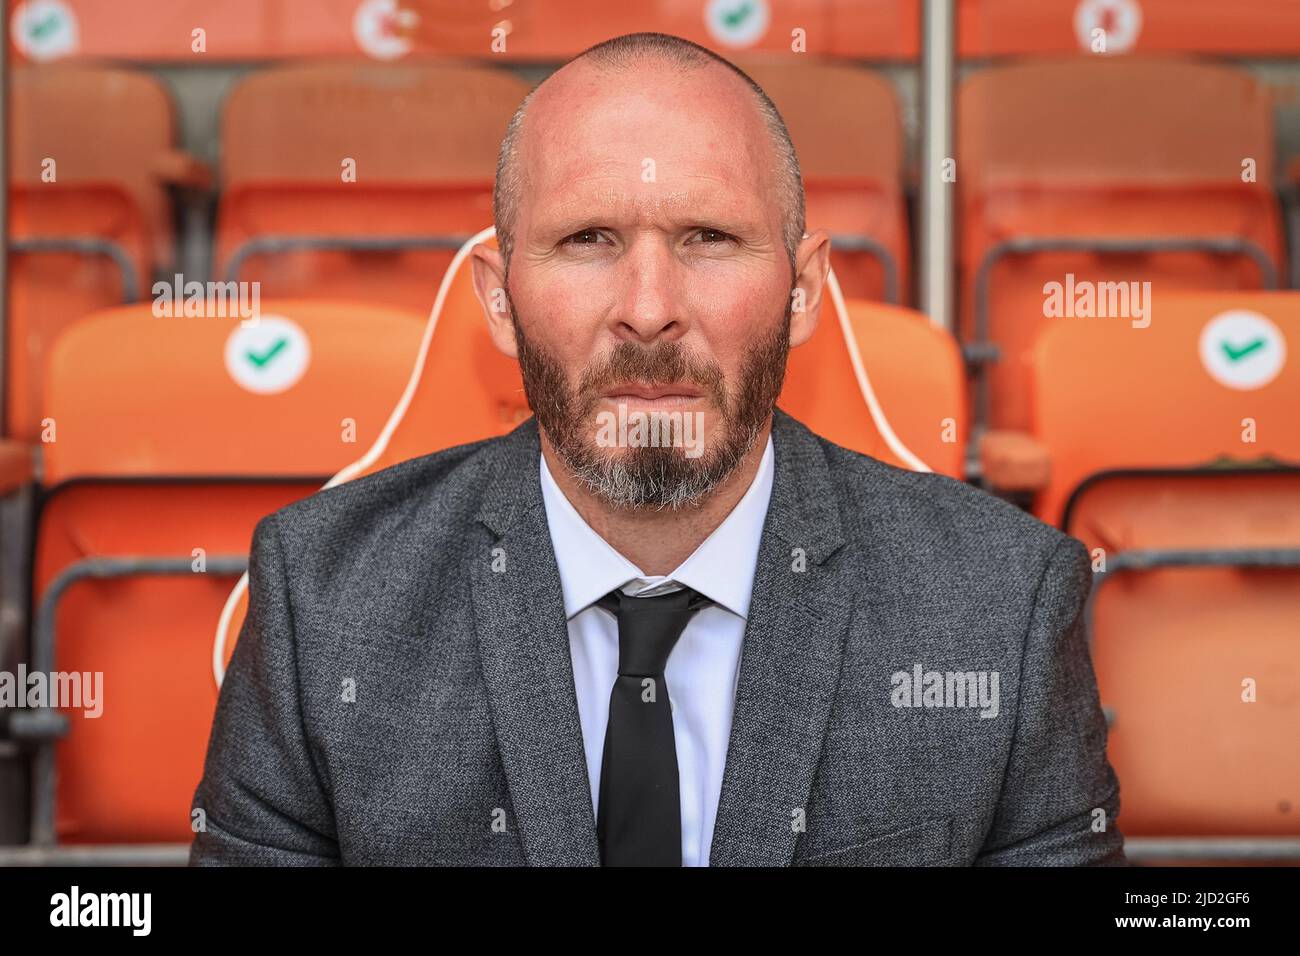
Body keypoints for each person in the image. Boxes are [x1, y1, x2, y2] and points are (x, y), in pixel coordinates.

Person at [190, 32, 1124, 866]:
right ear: (499, 299)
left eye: (709, 238)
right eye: (587, 239)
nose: (648, 308)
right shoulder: (324, 598)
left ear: (803, 292)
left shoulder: (1001, 604)